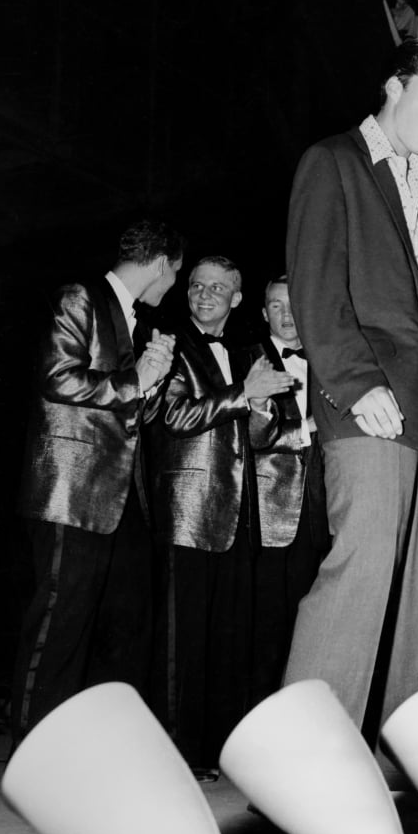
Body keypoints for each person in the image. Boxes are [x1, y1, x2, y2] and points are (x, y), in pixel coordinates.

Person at [283, 37, 418, 756]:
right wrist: (353, 384)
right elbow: (316, 286)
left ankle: (409, 752)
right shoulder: (334, 162)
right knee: (364, 568)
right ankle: (307, 752)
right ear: (393, 87)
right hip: (366, 398)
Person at [12, 217, 184, 742]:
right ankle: (32, 748)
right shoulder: (79, 297)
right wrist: (138, 379)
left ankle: (95, 742)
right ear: (159, 264)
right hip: (71, 490)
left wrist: (149, 389)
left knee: (117, 624)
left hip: (118, 495)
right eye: (175, 272)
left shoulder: (130, 319)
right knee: (60, 624)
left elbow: (123, 404)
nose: (173, 283)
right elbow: (57, 376)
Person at [146, 255, 294, 773]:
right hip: (187, 512)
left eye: (218, 288)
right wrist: (240, 396)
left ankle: (220, 754)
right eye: (196, 285)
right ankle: (174, 757)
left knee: (228, 639)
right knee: (181, 643)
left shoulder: (250, 350)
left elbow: (260, 436)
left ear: (236, 298)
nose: (204, 295)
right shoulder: (167, 342)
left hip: (240, 515)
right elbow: (175, 416)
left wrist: (259, 410)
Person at [249, 275, 330, 702]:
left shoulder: (328, 360)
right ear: (264, 314)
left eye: (293, 304)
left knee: (310, 621)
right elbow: (251, 434)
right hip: (266, 513)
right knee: (264, 626)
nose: (286, 315)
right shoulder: (249, 360)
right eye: (276, 306)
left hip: (319, 513)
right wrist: (306, 429)